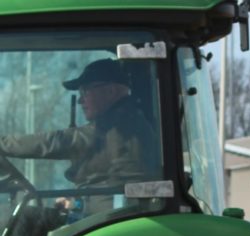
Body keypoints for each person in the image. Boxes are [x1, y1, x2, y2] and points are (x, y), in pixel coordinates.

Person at [0, 58, 160, 216]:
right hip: (108, 210)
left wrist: (3, 143)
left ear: (110, 91)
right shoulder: (125, 121)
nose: (80, 100)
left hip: (116, 215)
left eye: (85, 92)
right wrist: (77, 203)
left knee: (24, 220)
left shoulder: (122, 127)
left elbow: (56, 142)